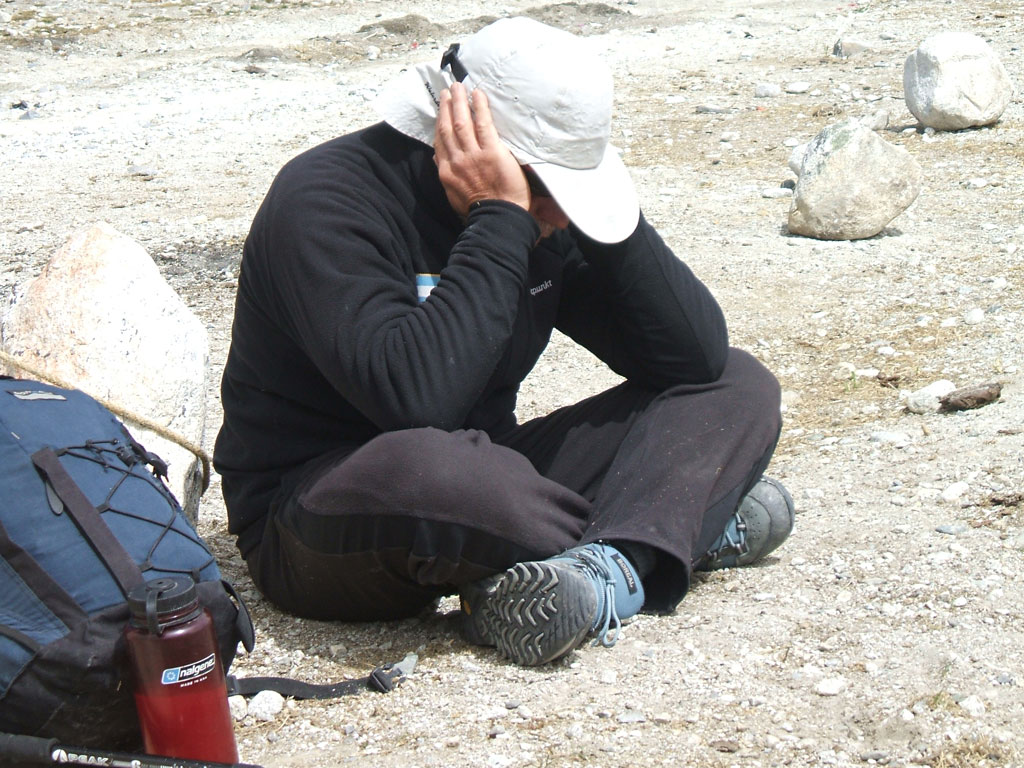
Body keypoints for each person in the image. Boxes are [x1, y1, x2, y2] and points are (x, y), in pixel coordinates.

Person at [213, 17, 794, 667]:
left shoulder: (539, 216)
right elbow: (415, 402)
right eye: (546, 188)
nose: (558, 213)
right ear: (466, 139)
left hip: (491, 477)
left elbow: (693, 357)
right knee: (451, 476)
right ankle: (671, 531)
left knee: (737, 383)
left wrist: (602, 210)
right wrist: (500, 218)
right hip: (319, 509)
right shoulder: (325, 202)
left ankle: (600, 572)